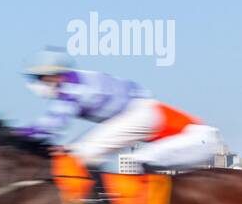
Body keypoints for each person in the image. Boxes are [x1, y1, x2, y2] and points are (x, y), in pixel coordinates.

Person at [20, 49, 220, 173]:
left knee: (89, 157)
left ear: (54, 76)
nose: (35, 85)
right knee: (82, 154)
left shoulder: (72, 87)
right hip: (149, 115)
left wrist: (9, 135)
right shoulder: (78, 80)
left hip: (193, 138)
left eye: (38, 79)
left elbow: (51, 126)